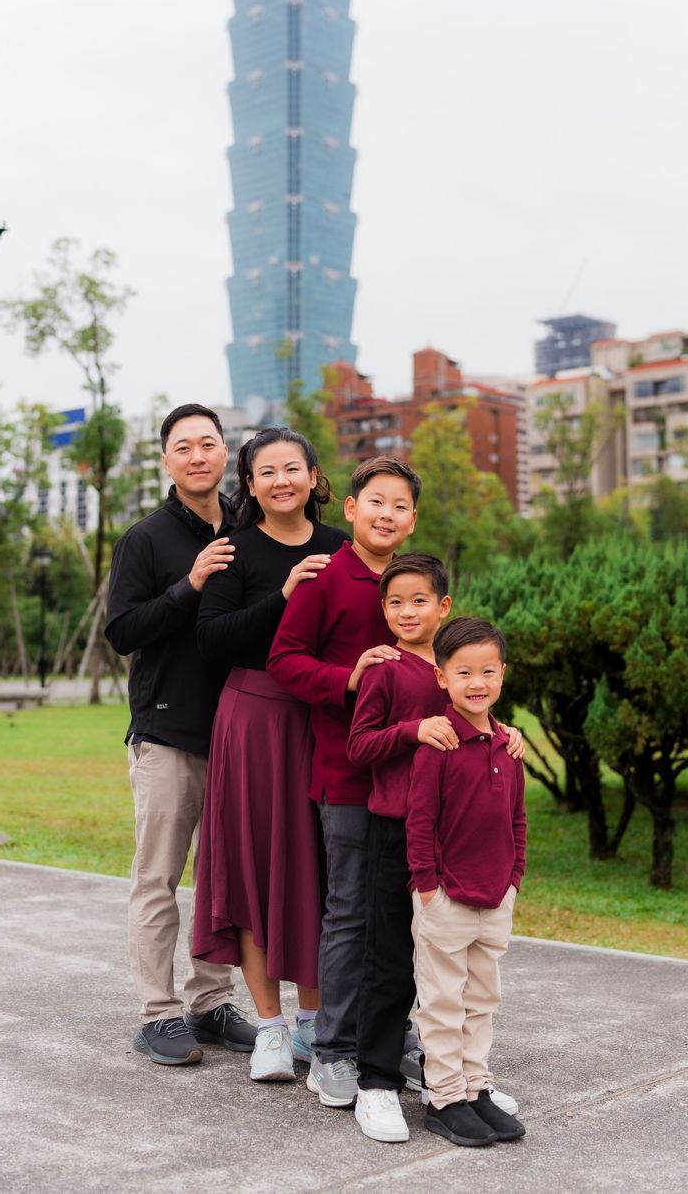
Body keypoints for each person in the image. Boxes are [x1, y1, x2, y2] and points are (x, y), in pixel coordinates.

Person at [346, 554, 521, 1143]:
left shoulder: (460, 662)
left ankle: (461, 1084)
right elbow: (360, 746)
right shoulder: (386, 667)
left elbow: (483, 719)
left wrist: (508, 733)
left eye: (419, 600)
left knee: (458, 979)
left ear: (443, 607)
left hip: (459, 843)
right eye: (395, 602)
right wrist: (413, 729)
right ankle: (376, 1082)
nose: (407, 611)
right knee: (393, 964)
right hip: (399, 833)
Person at [192, 426, 347, 1084]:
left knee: (317, 872)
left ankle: (314, 1023)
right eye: (266, 471)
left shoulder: (342, 548)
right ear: (250, 485)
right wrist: (283, 597)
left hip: (323, 724)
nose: (281, 479)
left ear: (315, 477)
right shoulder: (235, 551)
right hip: (252, 724)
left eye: (293, 467)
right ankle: (271, 1029)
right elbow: (211, 641)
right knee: (255, 872)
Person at [105, 403, 256, 1069]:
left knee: (225, 881)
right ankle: (158, 1014)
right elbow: (122, 632)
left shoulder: (251, 527)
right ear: (167, 460)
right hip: (168, 734)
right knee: (159, 877)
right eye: (183, 446)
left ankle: (212, 1003)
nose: (198, 455)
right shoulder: (146, 539)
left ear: (226, 454)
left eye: (209, 444)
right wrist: (189, 584)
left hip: (240, 733)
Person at [267, 456, 418, 1107]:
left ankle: (391, 1035)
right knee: (351, 911)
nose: (387, 514)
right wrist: (348, 678)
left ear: (413, 521)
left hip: (411, 777)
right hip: (346, 774)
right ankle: (333, 1050)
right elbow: (283, 660)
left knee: (403, 914)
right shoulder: (328, 578)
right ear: (351, 509)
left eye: (400, 506)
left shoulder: (416, 583)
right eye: (375, 502)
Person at [407, 617, 527, 1149]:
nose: (477, 683)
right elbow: (419, 821)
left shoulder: (509, 746)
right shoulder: (440, 743)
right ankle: (444, 1097)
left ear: (502, 674)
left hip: (495, 896)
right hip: (446, 899)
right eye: (464, 673)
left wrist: (514, 878)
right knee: (442, 1002)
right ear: (442, 678)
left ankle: (476, 1088)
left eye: (488, 671)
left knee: (482, 999)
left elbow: (517, 821)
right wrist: (428, 887)